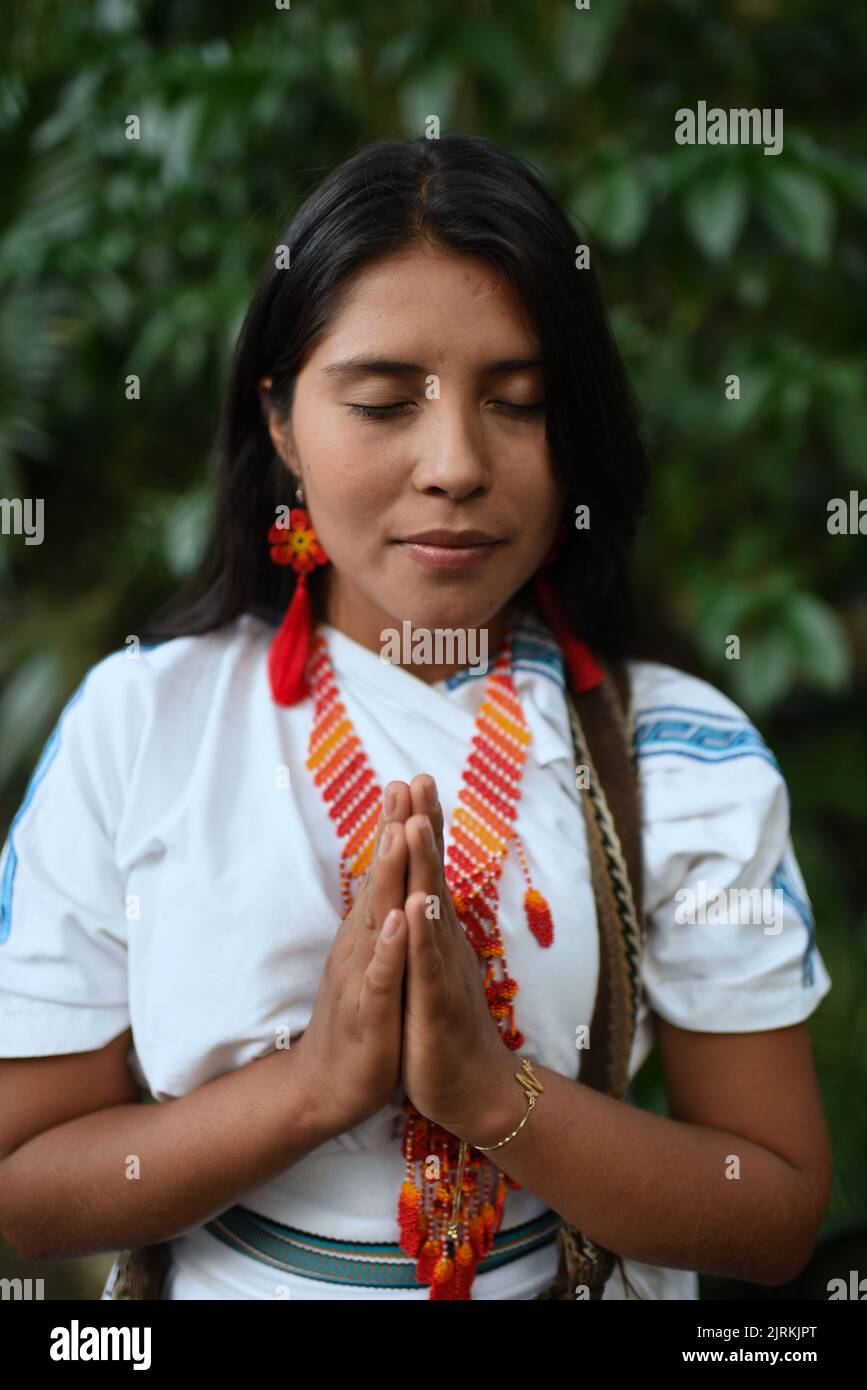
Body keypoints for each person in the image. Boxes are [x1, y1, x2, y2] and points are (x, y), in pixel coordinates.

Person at [0, 134, 832, 1301]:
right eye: (386, 402)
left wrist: (498, 1100)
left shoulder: (681, 756)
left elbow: (776, 1210)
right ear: (282, 424)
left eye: (522, 404)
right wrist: (313, 1085)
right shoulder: (141, 725)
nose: (455, 463)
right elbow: (28, 1186)